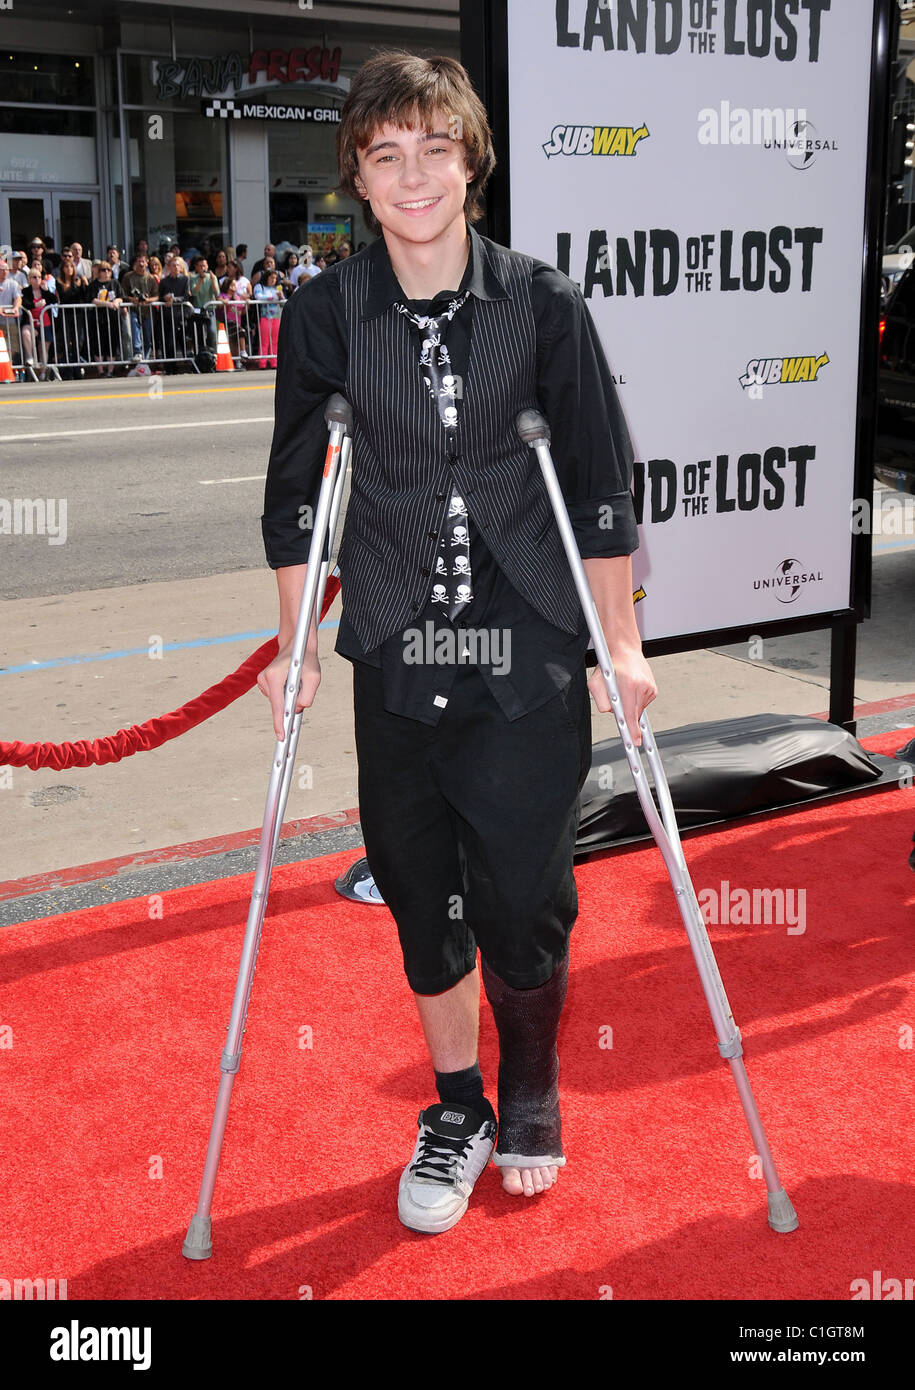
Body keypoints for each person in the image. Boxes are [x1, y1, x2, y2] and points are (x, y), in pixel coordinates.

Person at [258, 51, 657, 1234]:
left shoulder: (544, 304)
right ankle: (457, 1102)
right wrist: (297, 645)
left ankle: (530, 1084)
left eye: (435, 146)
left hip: (523, 648)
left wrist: (620, 647)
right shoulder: (326, 313)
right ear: (360, 180)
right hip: (392, 641)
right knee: (420, 890)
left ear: (472, 160)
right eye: (387, 154)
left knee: (523, 893)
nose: (414, 172)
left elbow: (598, 488)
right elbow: (296, 496)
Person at [52, 248, 89, 377]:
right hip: (65, 315)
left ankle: (77, 368)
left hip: (76, 315)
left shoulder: (77, 282)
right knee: (66, 341)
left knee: (77, 341)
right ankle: (67, 370)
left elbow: (85, 297)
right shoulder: (59, 282)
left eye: (71, 267)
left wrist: (84, 284)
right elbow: (60, 297)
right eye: (66, 267)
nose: (69, 269)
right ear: (63, 269)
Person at [86, 260, 125, 375]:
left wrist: (117, 301)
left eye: (109, 270)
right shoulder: (94, 285)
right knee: (98, 343)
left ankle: (110, 370)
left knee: (112, 343)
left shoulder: (115, 283)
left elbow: (121, 296)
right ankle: (101, 370)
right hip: (98, 318)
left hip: (112, 318)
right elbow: (92, 299)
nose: (107, 272)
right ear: (99, 272)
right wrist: (108, 304)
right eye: (104, 270)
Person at [21, 266, 58, 379]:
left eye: (39, 277)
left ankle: (43, 371)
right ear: (29, 279)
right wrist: (35, 305)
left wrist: (46, 291)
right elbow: (25, 303)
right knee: (26, 332)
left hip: (45, 322)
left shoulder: (44, 290)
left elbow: (54, 300)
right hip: (31, 321)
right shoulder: (26, 291)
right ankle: (30, 356)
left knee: (44, 347)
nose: (37, 279)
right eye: (34, 277)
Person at [120, 251, 158, 360]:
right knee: (135, 328)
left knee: (147, 336)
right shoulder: (128, 276)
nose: (141, 264)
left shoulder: (150, 278)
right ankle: (137, 351)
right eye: (139, 261)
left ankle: (145, 358)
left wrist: (147, 300)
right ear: (135, 263)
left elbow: (157, 296)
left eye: (143, 261)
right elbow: (123, 294)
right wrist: (133, 300)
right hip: (133, 309)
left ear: (147, 263)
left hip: (147, 311)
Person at [252, 267, 284, 367]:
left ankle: (274, 362)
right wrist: (273, 298)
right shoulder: (259, 286)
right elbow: (258, 297)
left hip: (276, 316)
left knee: (275, 340)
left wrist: (280, 297)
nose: (273, 280)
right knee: (264, 340)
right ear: (266, 278)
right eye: (271, 278)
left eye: (275, 278)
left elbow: (283, 302)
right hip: (265, 316)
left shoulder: (278, 288)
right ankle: (263, 363)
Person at [189, 254, 220, 352]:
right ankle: (201, 353)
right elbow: (194, 292)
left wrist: (212, 281)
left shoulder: (212, 277)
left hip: (210, 310)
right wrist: (201, 280)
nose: (203, 268)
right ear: (196, 267)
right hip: (198, 310)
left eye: (204, 266)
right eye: (200, 266)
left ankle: (213, 352)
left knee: (212, 332)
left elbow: (217, 292)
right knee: (200, 333)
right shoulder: (193, 278)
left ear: (207, 266)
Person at [0, 258, 24, 376]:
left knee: (13, 345)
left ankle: (6, 367)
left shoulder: (13, 284)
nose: (4, 272)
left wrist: (15, 308)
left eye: (5, 269)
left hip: (10, 321)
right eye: (1, 269)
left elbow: (18, 298)